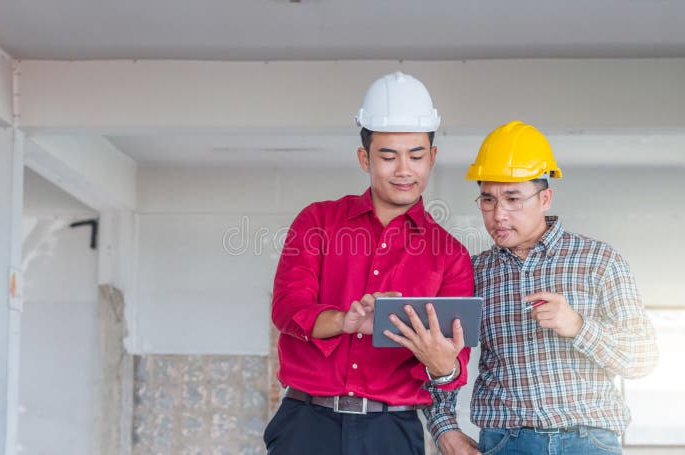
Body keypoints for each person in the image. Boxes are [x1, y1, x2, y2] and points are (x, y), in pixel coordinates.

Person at [264, 71, 475, 455]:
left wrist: (442, 364)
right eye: (388, 156)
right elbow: (287, 309)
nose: (404, 170)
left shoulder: (451, 256)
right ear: (365, 158)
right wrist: (343, 321)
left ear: (433, 157)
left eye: (416, 155)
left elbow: (454, 365)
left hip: (391, 431)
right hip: (306, 425)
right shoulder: (317, 222)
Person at [428, 121, 659, 455]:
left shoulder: (600, 261)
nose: (498, 214)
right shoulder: (472, 272)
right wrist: (443, 427)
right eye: (488, 199)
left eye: (513, 199)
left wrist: (578, 327)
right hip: (507, 443)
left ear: (545, 198)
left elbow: (642, 360)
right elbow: (439, 356)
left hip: (589, 442)